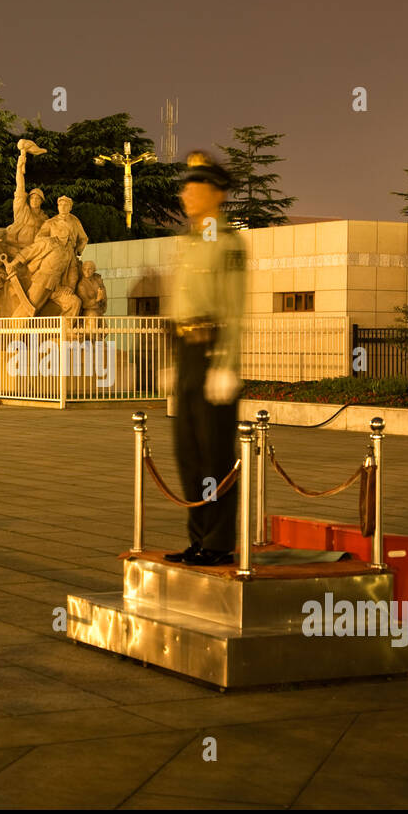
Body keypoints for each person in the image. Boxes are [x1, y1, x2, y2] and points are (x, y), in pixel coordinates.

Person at [163, 151, 246, 567]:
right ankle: (197, 538)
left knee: (214, 454)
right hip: (187, 354)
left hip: (213, 353)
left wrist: (225, 364)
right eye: (185, 187)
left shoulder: (227, 244)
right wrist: (172, 360)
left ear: (215, 193)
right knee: (188, 454)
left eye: (194, 187)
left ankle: (218, 542)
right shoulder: (190, 243)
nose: (186, 194)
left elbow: (232, 308)